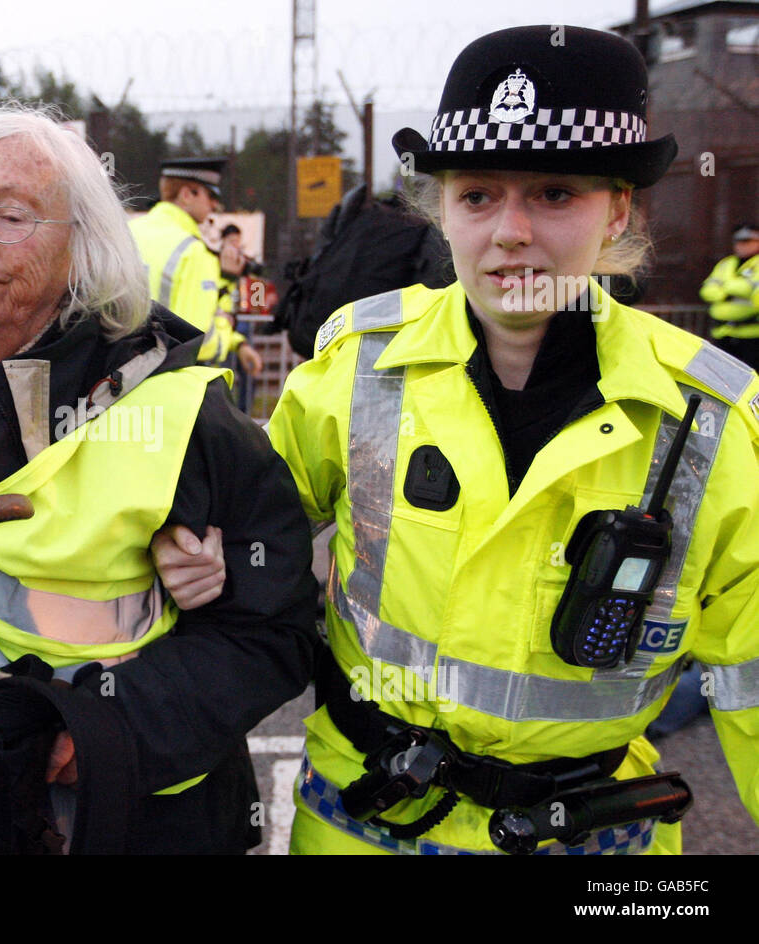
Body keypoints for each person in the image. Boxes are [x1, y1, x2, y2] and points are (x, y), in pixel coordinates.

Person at [159, 25, 759, 854]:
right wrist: (202, 554)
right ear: (442, 208)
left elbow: (755, 674)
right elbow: (245, 533)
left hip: (596, 836)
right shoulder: (355, 364)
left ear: (619, 206)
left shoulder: (712, 417)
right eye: (477, 195)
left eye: (554, 194)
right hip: (364, 823)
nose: (509, 231)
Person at [0, 105, 317, 854]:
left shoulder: (180, 416)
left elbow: (274, 627)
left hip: (127, 815)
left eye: (11, 215)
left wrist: (105, 729)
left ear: (82, 253)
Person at [130, 157, 262, 377]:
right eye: (210, 195)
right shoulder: (194, 252)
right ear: (186, 194)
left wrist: (239, 344)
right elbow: (199, 339)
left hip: (115, 378)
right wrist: (226, 326)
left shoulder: (126, 232)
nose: (214, 205)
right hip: (167, 380)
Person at [700, 223, 759, 370]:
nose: (740, 246)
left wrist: (725, 287)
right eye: (738, 242)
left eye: (746, 242)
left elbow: (750, 288)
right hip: (723, 332)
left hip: (751, 335)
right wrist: (734, 289)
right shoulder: (726, 264)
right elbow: (707, 291)